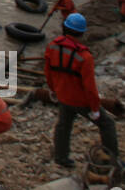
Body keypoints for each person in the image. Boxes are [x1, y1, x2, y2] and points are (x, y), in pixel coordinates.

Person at [45, 13, 120, 167]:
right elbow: (90, 87)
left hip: (63, 96)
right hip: (81, 100)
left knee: (63, 126)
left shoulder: (52, 46)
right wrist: (95, 109)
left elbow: (48, 72)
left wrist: (53, 89)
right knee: (107, 124)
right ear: (82, 32)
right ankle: (112, 160)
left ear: (65, 28)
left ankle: (61, 157)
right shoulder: (84, 56)